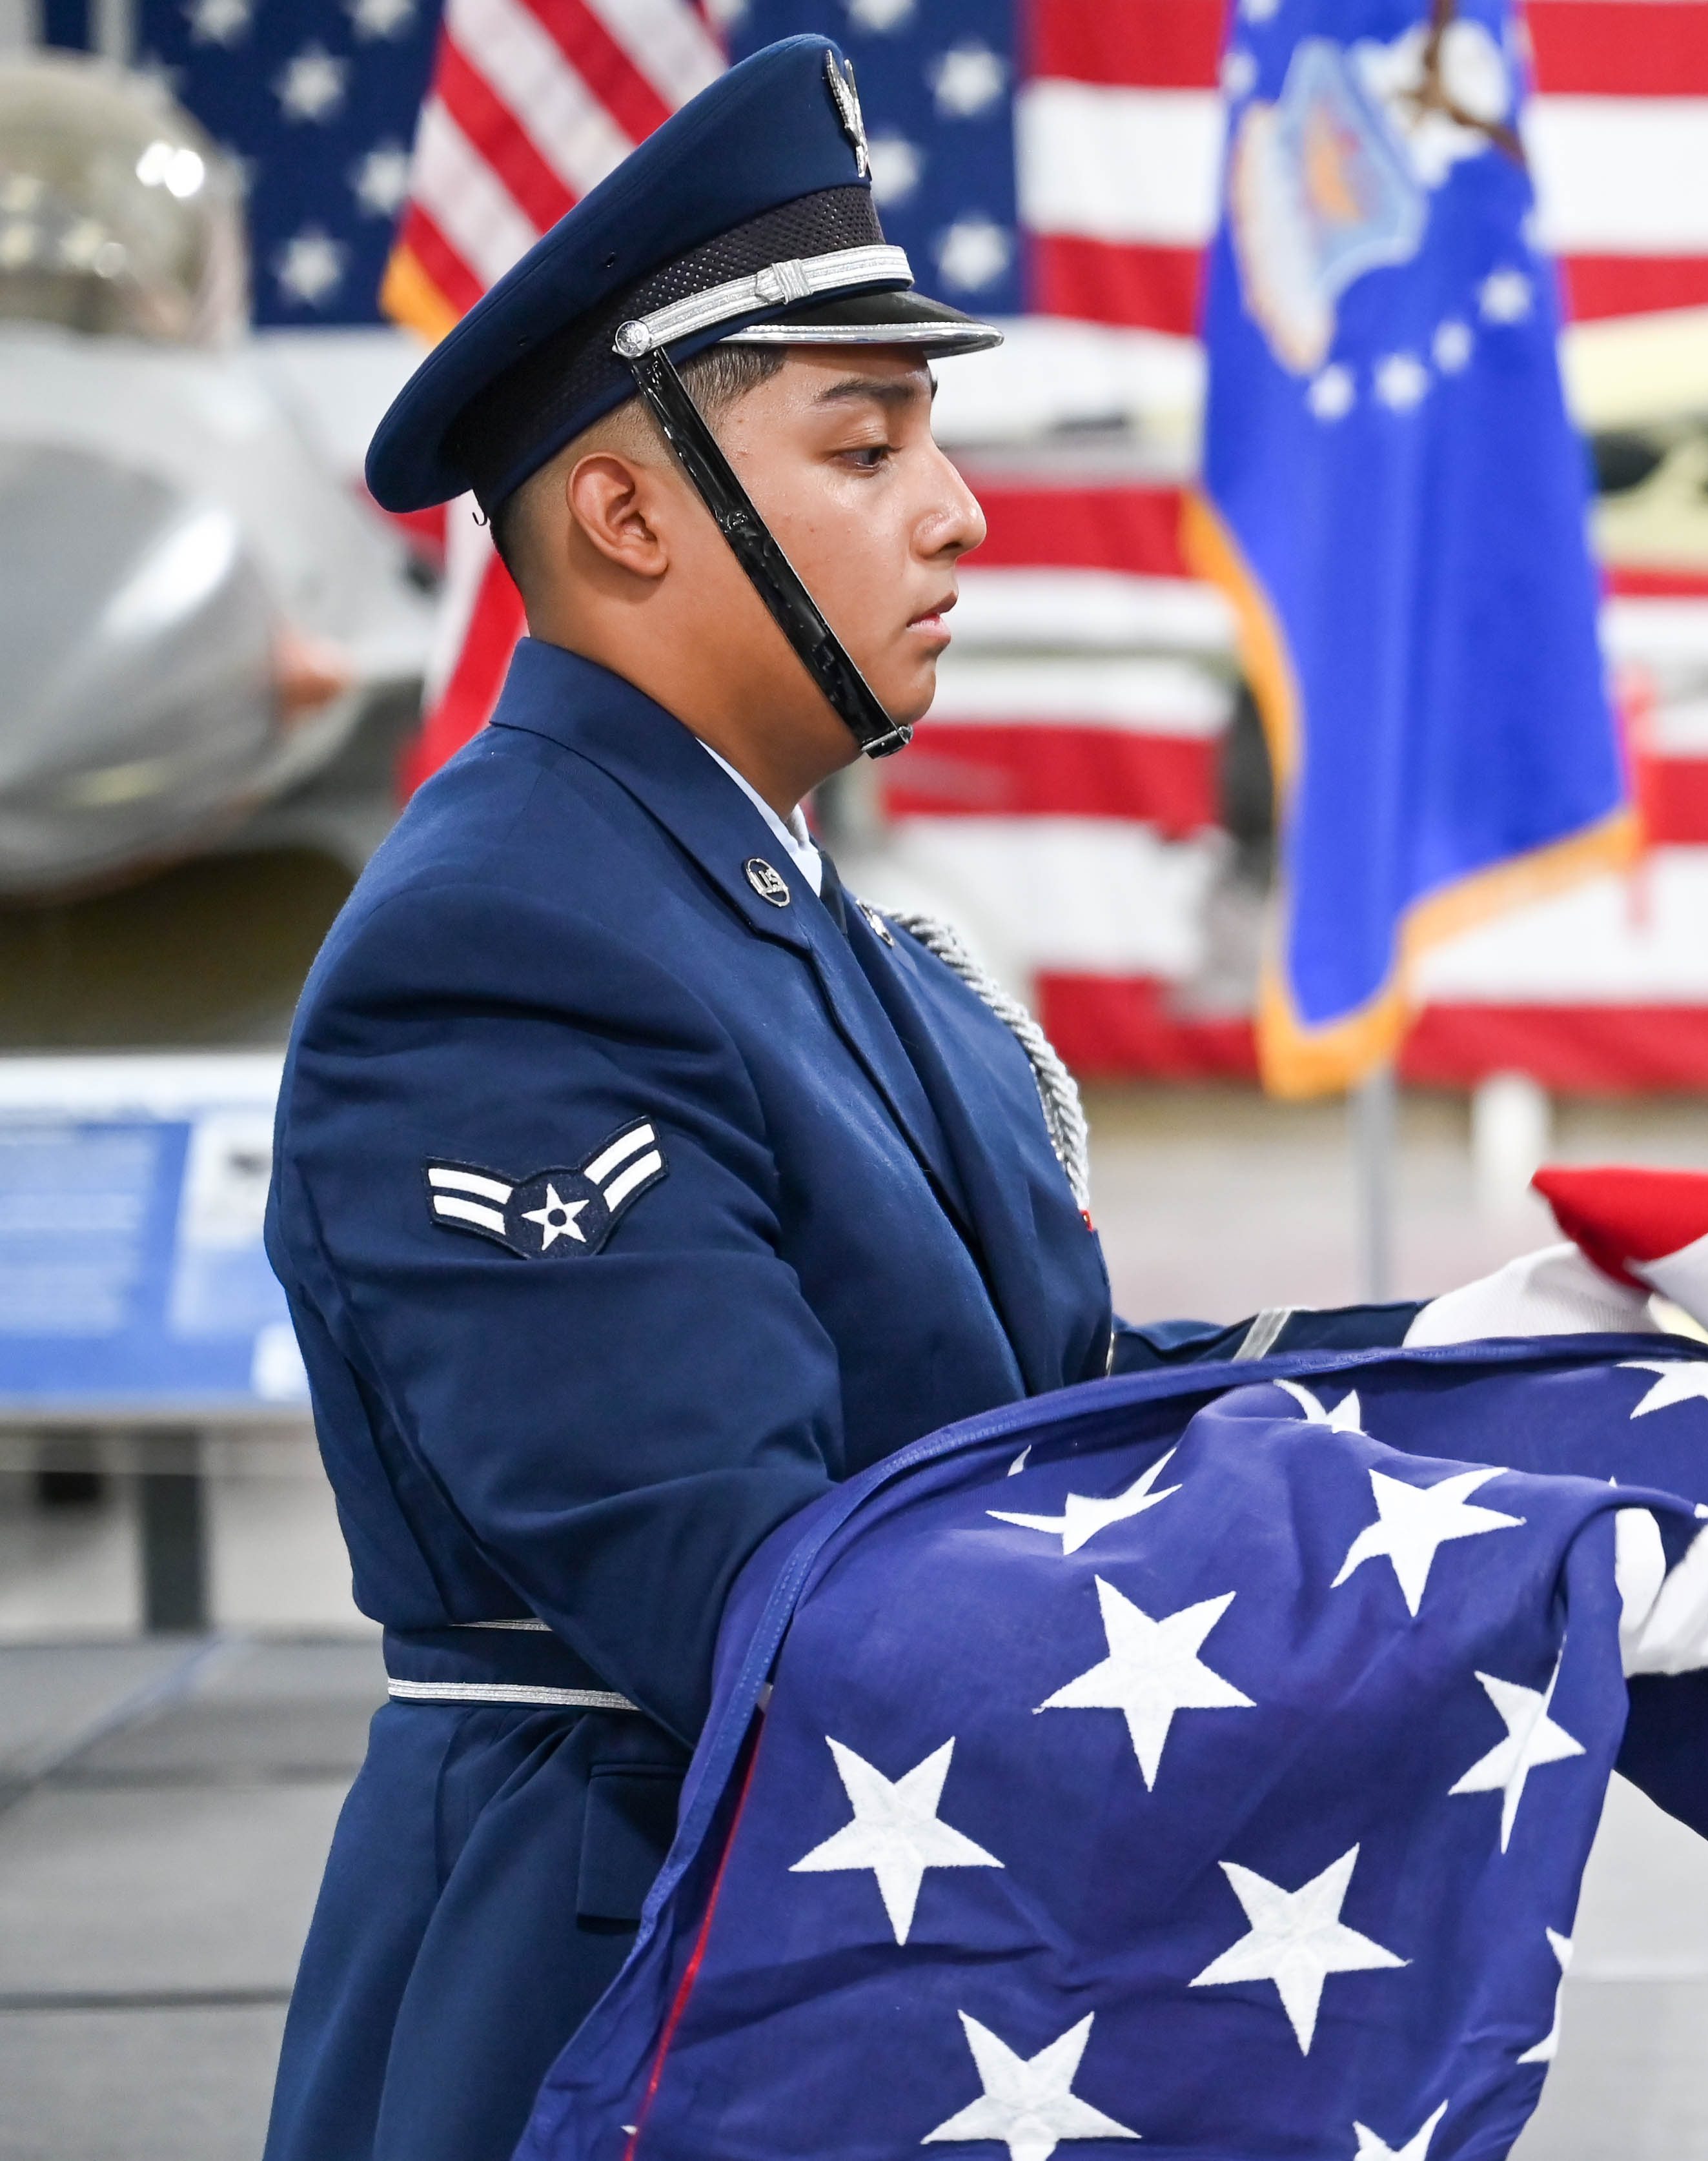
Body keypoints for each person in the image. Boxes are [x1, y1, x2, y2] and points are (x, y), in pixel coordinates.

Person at [260, 39, 1637, 2161]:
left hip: (858, 1946)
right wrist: (1426, 1589)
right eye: (866, 441)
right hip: (617, 2005)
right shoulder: (513, 944)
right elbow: (755, 1589)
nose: (957, 507)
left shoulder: (773, 909)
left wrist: (1500, 1368)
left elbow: (1044, 1406)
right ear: (628, 513)